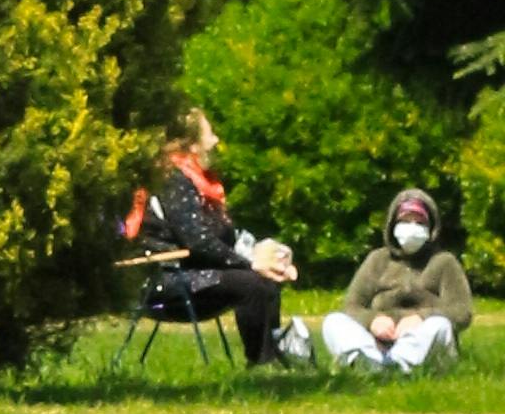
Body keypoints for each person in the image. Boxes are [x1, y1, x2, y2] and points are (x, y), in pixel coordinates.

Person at [121, 108, 308, 369]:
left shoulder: (202, 183)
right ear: (193, 145)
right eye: (210, 134)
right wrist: (249, 264)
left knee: (265, 279)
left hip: (196, 274)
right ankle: (263, 363)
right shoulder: (173, 180)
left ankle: (272, 355)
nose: (216, 141)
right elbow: (198, 241)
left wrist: (269, 256)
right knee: (251, 283)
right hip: (166, 279)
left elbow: (224, 237)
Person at [320, 186, 474, 375]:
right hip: (378, 341)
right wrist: (372, 320)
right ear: (392, 226)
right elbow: (352, 306)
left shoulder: (444, 262)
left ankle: (399, 366)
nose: (412, 227)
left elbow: (462, 312)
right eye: (405, 221)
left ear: (431, 228)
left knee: (438, 326)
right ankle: (371, 364)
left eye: (419, 222)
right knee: (333, 321)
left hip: (422, 341)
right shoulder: (377, 259)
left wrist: (421, 317)